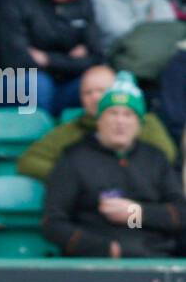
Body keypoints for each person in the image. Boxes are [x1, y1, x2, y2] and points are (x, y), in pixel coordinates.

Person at [43, 75, 185, 257]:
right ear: (99, 120)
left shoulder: (155, 158)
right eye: (113, 113)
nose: (120, 121)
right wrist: (104, 249)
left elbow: (180, 214)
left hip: (155, 258)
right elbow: (52, 223)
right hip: (98, 264)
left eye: (128, 114)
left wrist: (135, 214)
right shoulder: (74, 158)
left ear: (139, 123)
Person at [17, 65, 176, 181]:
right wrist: (76, 177)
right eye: (88, 93)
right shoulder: (72, 128)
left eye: (101, 90)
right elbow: (30, 161)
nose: (94, 97)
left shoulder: (146, 122)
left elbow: (165, 157)